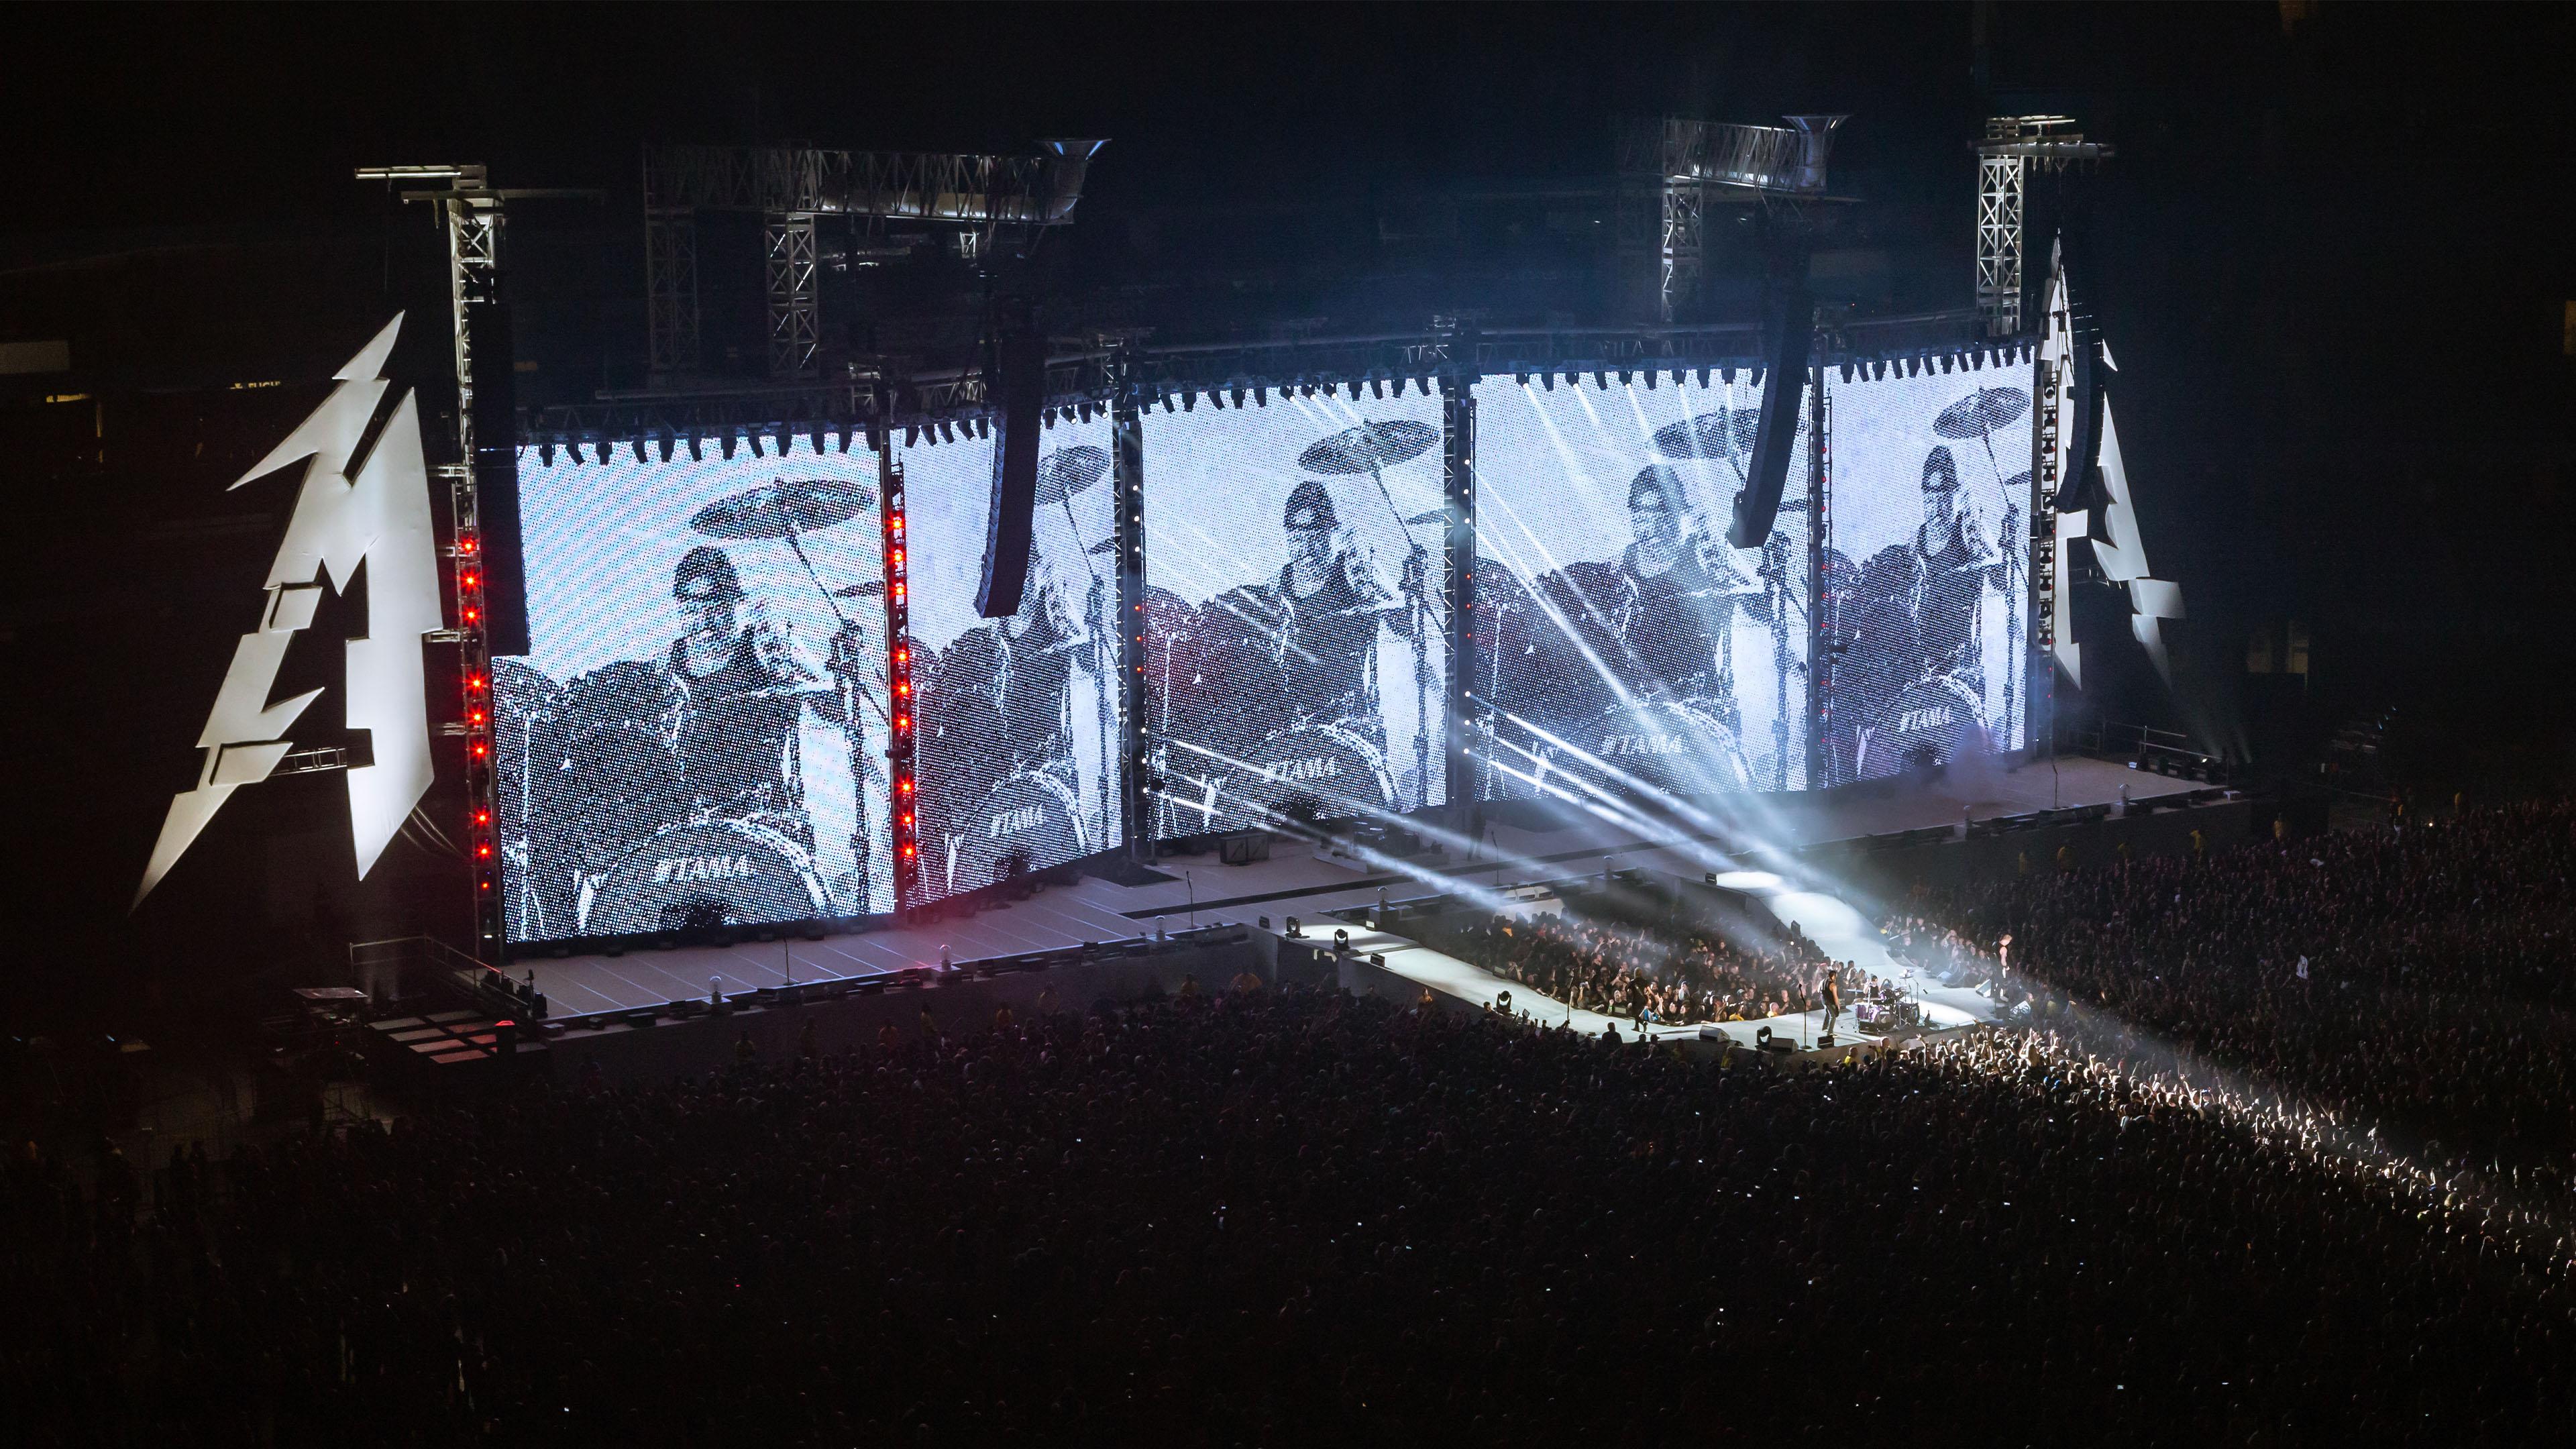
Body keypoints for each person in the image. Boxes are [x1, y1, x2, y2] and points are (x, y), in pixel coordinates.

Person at [1911, 447, 2003, 693]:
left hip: (1961, 664)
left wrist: (1974, 521)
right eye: (1930, 499)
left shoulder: (1966, 529)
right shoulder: (1917, 540)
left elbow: (2001, 578)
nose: (1936, 508)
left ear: (1955, 495)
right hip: (1921, 662)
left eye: (1943, 498)